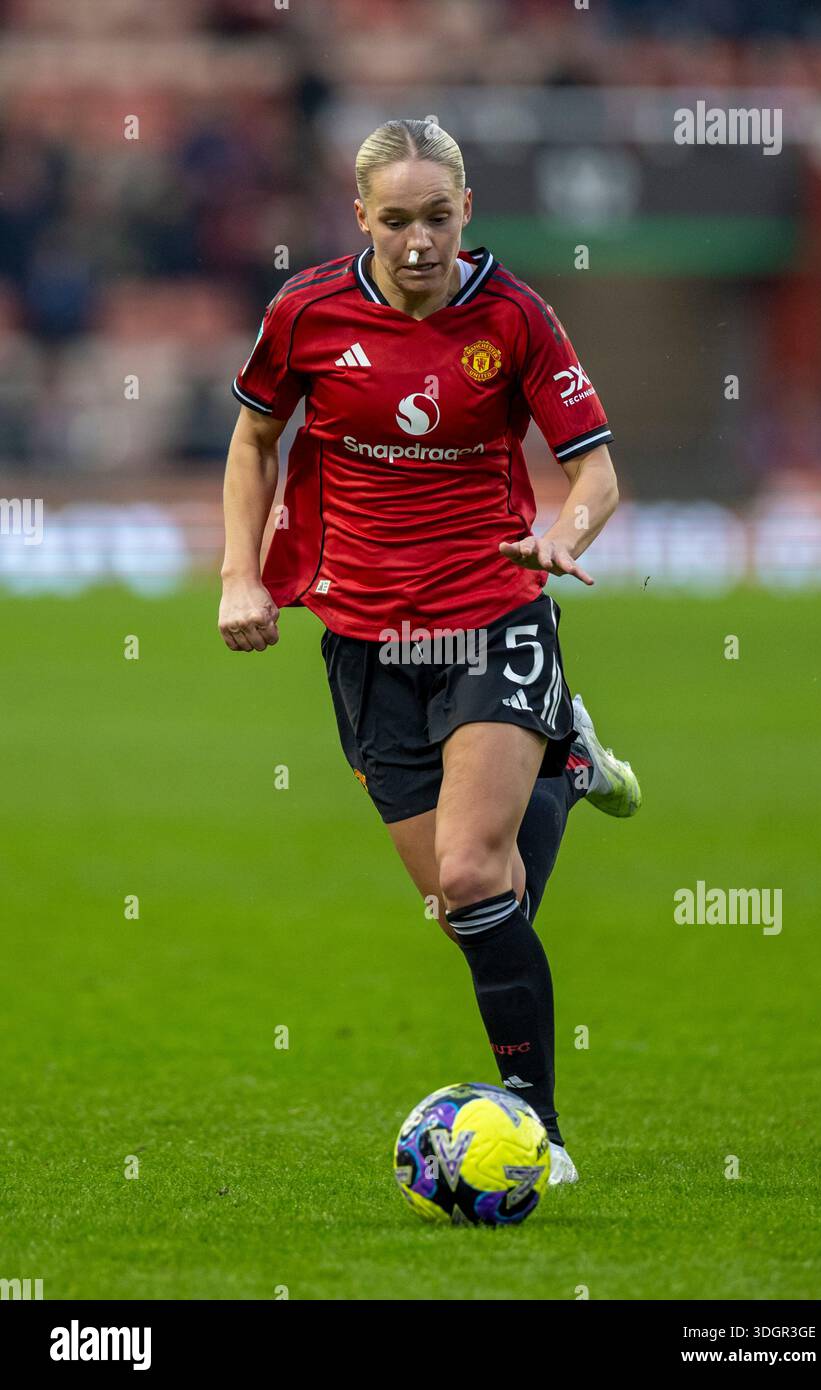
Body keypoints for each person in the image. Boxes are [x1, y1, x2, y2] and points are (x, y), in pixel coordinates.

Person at [219, 119, 640, 1186]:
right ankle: (570, 764)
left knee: (469, 870)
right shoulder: (305, 313)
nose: (418, 240)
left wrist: (562, 537)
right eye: (395, 219)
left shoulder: (515, 317)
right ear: (359, 217)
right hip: (361, 633)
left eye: (437, 217)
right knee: (469, 909)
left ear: (466, 214)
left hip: (489, 611)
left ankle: (534, 1129)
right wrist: (237, 572)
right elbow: (255, 437)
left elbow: (593, 472)